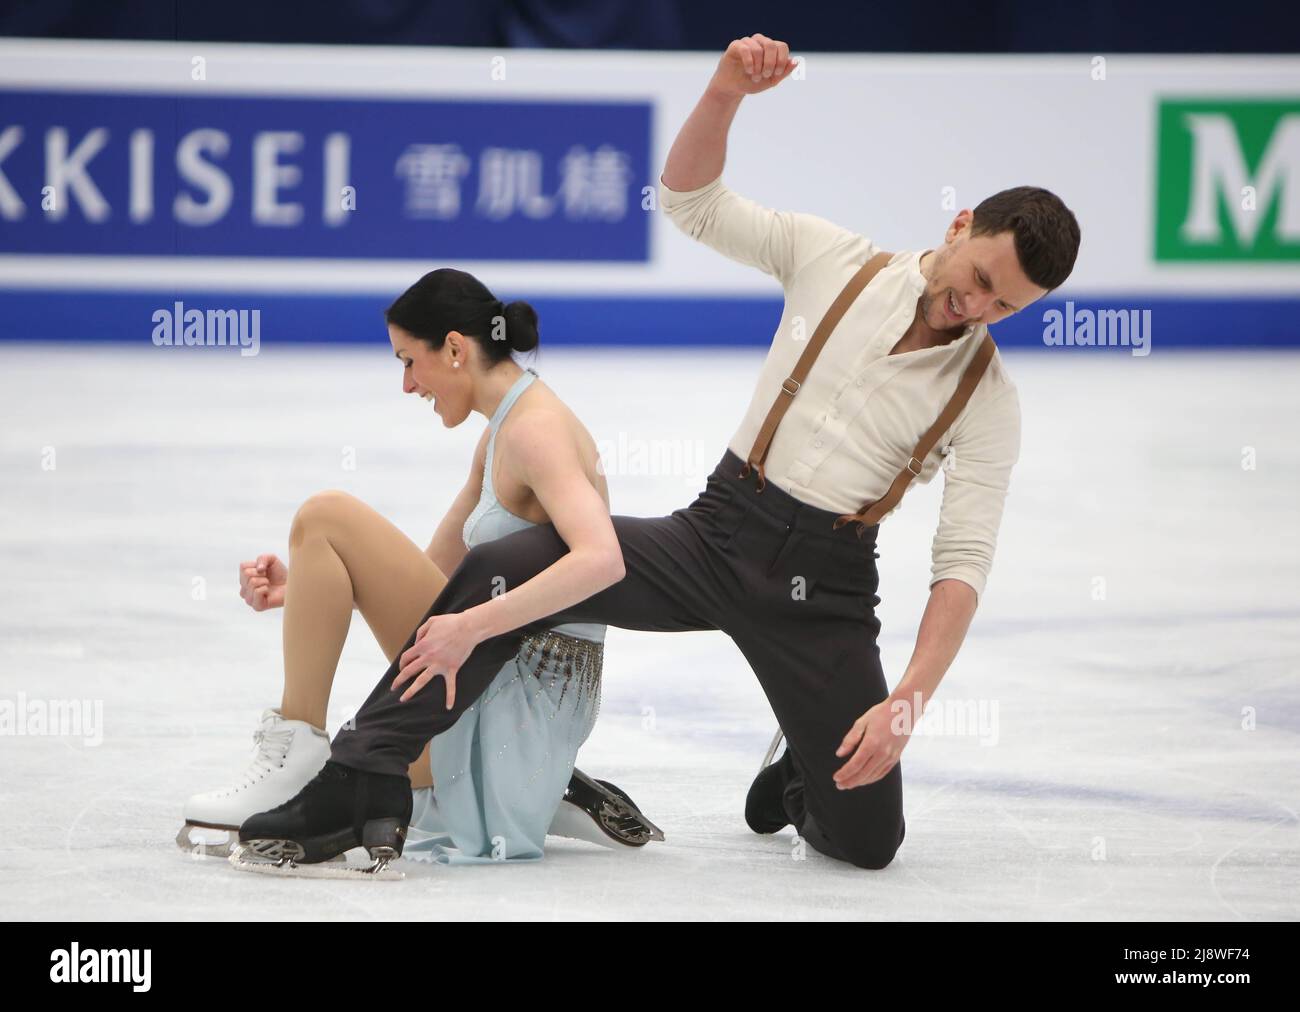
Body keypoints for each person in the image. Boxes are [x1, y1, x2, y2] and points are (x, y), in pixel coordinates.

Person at [237, 33, 1080, 871]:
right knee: (508, 565)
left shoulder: (989, 400)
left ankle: (799, 771)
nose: (975, 306)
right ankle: (361, 771)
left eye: (1005, 306)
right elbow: (692, 201)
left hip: (824, 589)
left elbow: (961, 564)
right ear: (960, 224)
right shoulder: (839, 261)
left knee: (869, 843)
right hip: (714, 534)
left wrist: (908, 701)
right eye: (977, 277)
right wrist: (724, 93)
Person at [179, 267, 662, 869]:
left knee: (324, 514)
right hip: (507, 683)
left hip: (522, 703)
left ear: (455, 348)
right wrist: (309, 588)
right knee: (323, 536)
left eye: (410, 361)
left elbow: (604, 560)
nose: (407, 384)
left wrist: (472, 627)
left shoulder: (535, 431)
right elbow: (433, 576)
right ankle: (543, 784)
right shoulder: (501, 430)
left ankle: (300, 751)